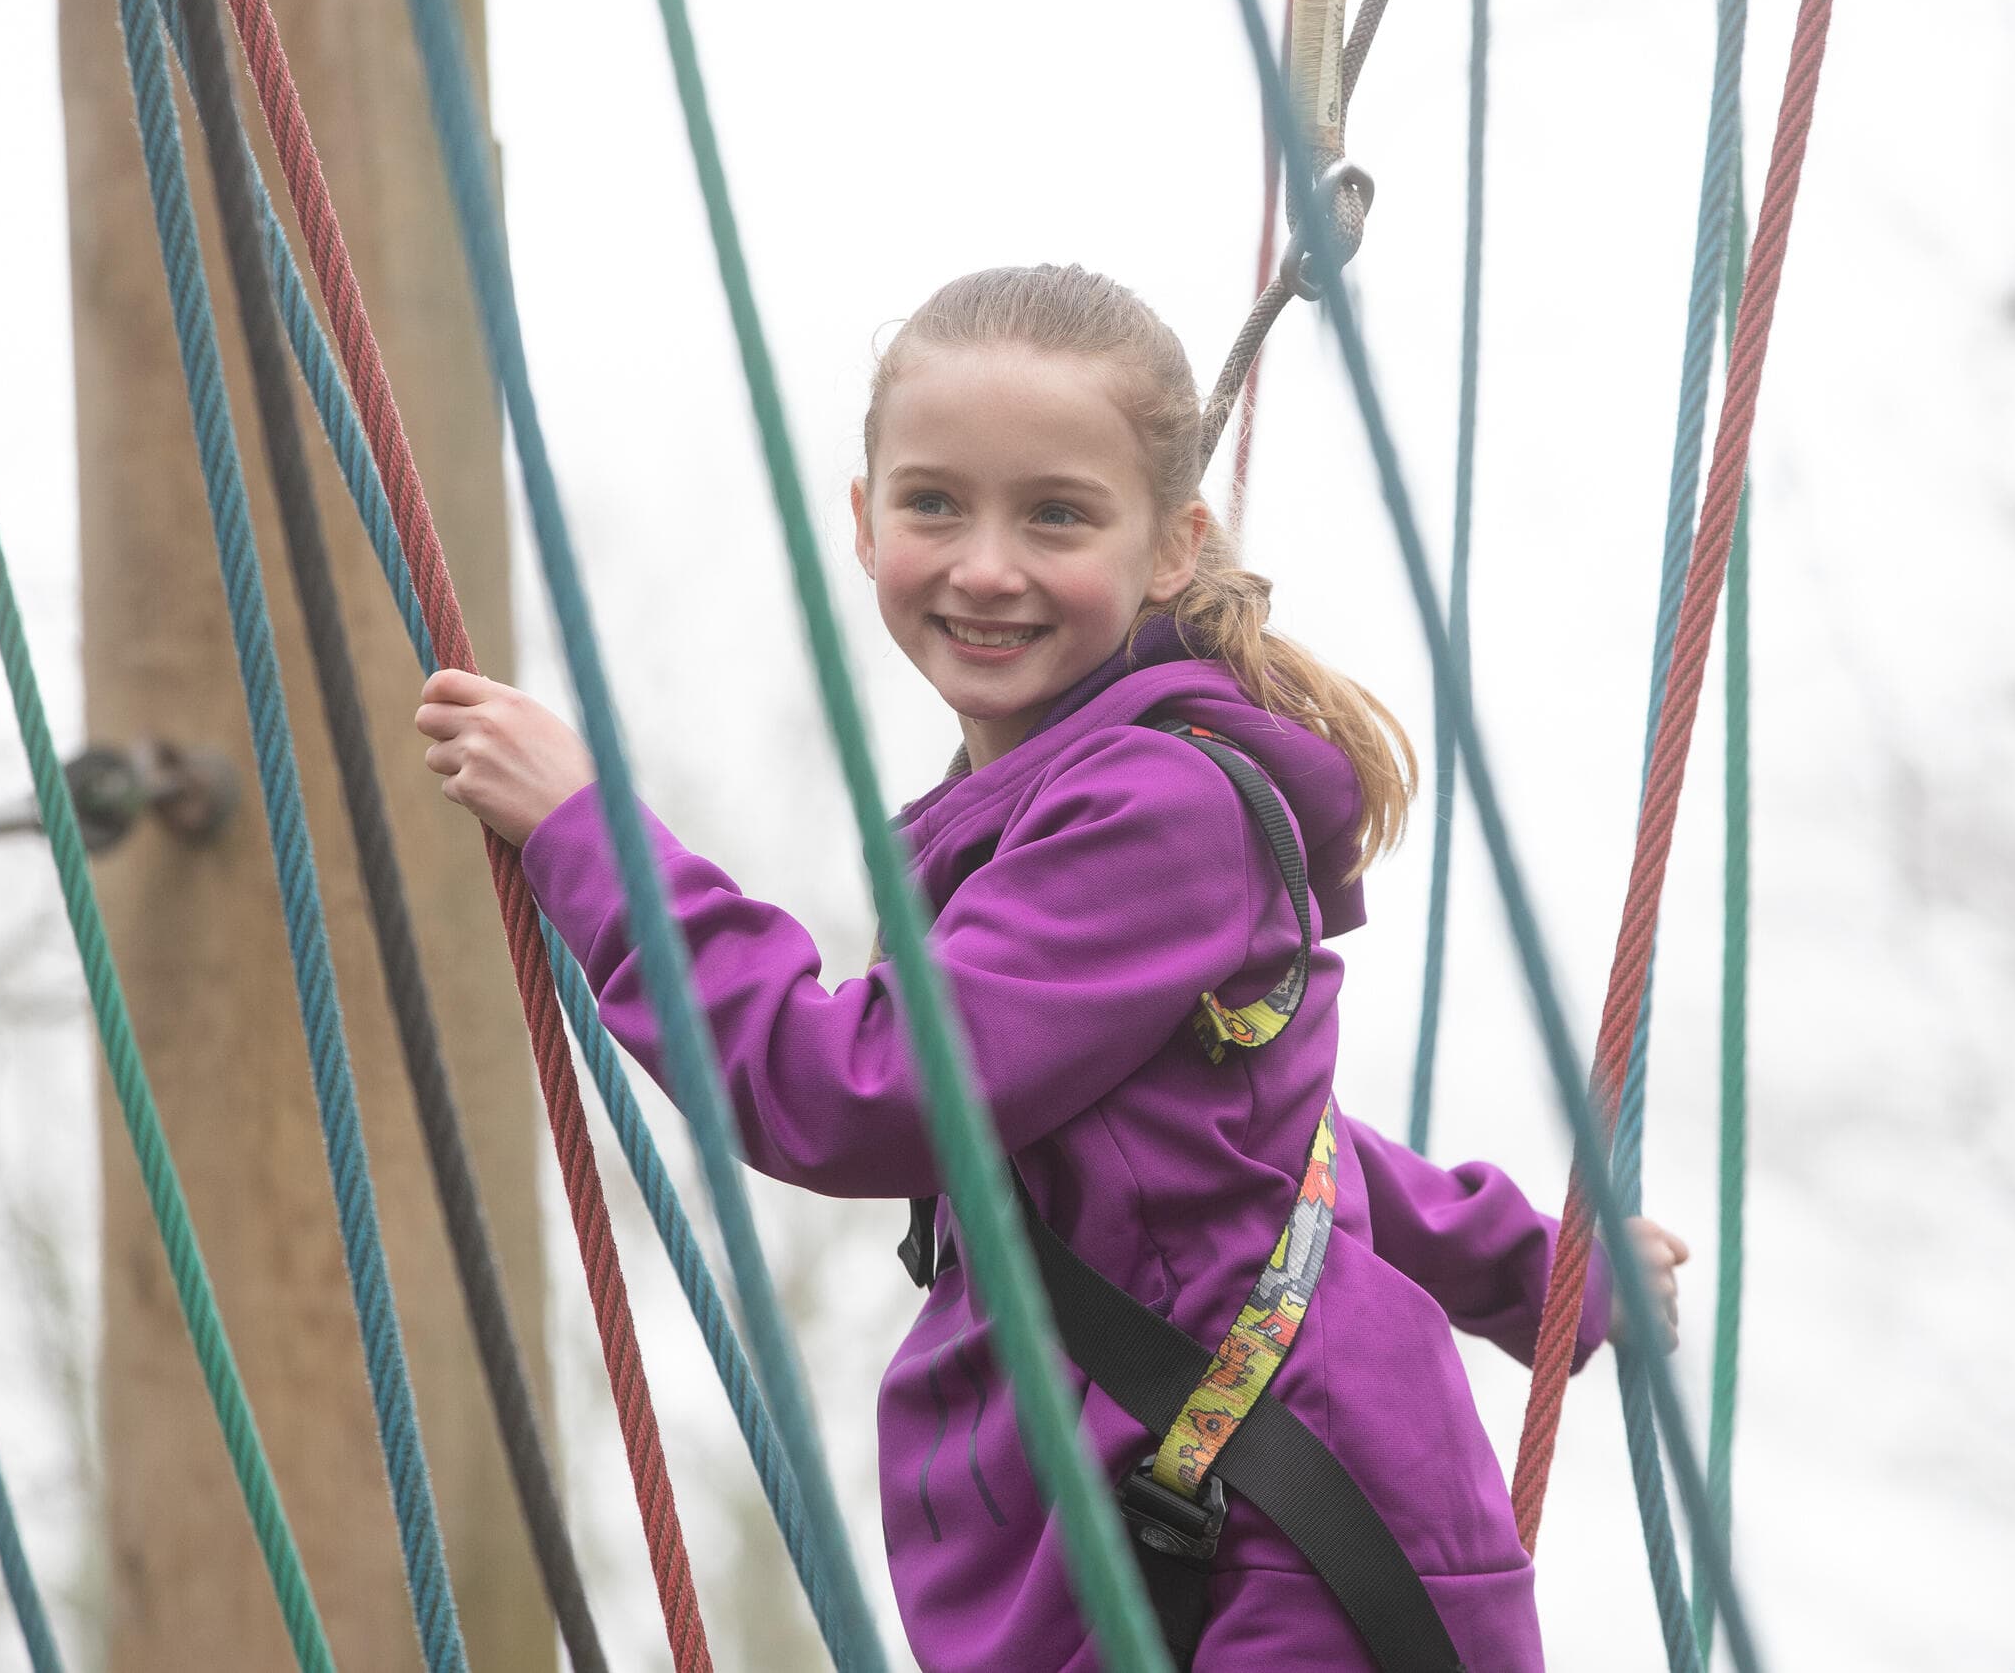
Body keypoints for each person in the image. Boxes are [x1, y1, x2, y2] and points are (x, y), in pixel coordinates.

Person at [414, 264, 1688, 1671]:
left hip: (1279, 1555)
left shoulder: (1158, 811)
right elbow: (1240, 1141)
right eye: (935, 504)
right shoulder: (1039, 813)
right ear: (864, 520)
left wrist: (593, 842)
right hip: (1150, 1535)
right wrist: (1532, 1264)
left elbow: (866, 1092)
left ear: (1172, 549)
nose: (985, 564)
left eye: (1057, 514)